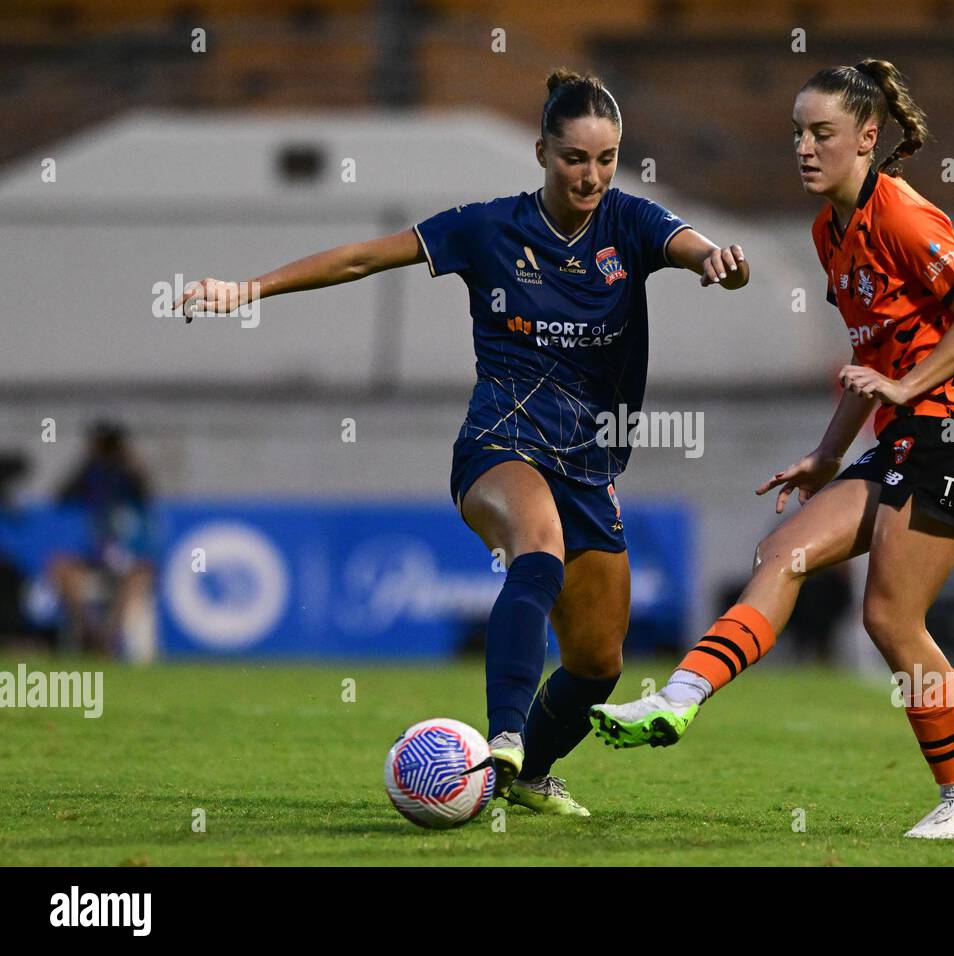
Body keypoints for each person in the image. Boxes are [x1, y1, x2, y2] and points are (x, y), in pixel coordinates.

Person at [176, 69, 750, 815]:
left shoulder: (629, 224)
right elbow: (363, 258)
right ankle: (502, 735)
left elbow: (692, 246)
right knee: (536, 547)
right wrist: (247, 289)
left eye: (606, 158)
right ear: (542, 151)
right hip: (500, 444)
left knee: (598, 661)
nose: (592, 174)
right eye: (575, 158)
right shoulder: (487, 229)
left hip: (590, 463)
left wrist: (718, 263)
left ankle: (528, 773)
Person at [592, 58, 954, 840]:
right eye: (797, 132)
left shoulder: (900, 212)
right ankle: (678, 698)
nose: (804, 147)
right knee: (782, 551)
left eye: (822, 133)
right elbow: (872, 358)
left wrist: (907, 385)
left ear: (867, 138)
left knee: (892, 617)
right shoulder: (830, 230)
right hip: (910, 426)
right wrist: (828, 454)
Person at [48, 421, 155, 656]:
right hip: (95, 554)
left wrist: (130, 463)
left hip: (124, 556)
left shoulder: (128, 475)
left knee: (138, 576)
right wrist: (86, 464)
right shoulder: (90, 473)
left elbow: (145, 501)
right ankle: (90, 634)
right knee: (61, 569)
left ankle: (109, 638)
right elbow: (61, 496)